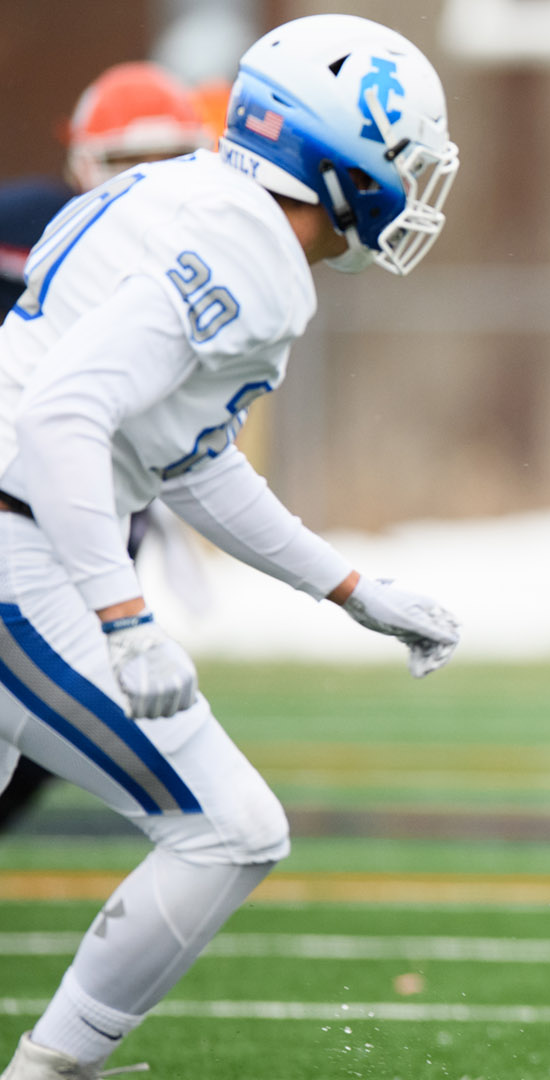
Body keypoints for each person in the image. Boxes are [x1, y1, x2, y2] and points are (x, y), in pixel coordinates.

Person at [0, 14, 463, 1079]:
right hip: (19, 540)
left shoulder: (196, 200)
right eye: (403, 160)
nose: (412, 188)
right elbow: (62, 417)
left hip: (26, 518)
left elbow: (188, 461)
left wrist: (349, 588)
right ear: (339, 154)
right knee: (230, 828)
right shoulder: (245, 249)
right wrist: (124, 618)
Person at [0, 61, 215, 835]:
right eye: (129, 160)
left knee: (55, 733)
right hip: (19, 504)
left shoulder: (209, 258)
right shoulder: (35, 226)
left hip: (99, 514)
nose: (148, 179)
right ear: (85, 162)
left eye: (169, 158)